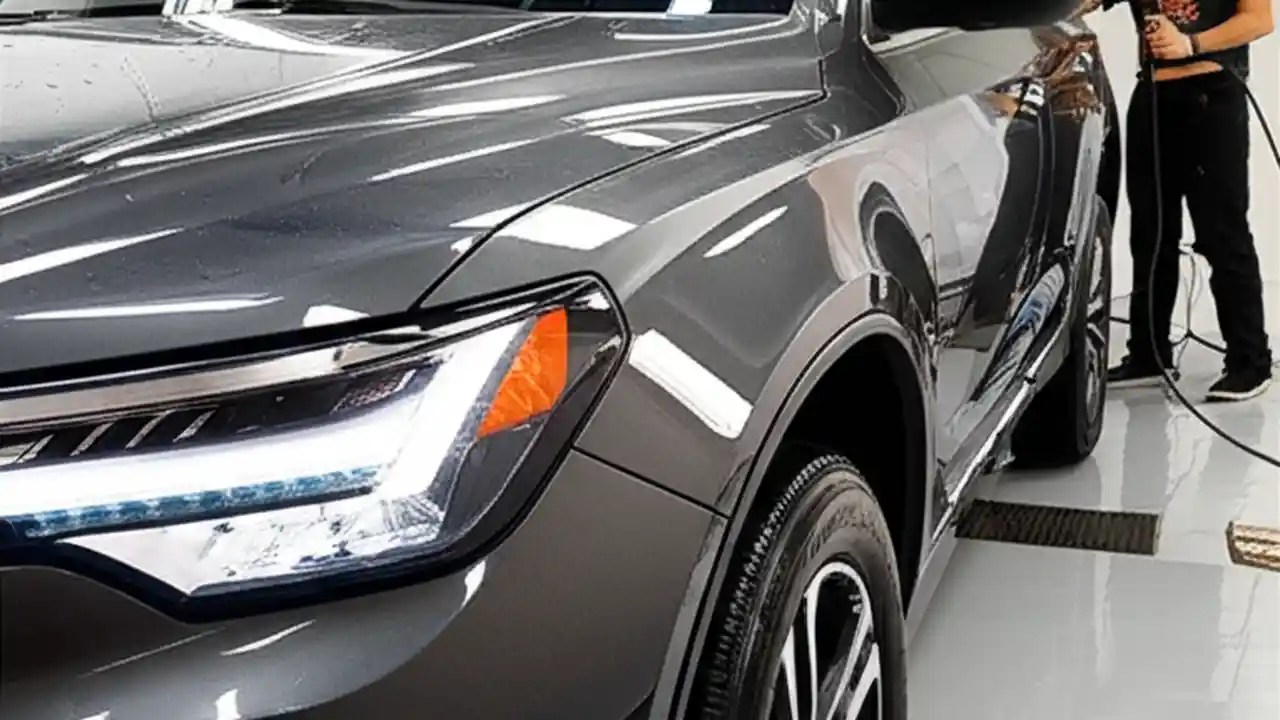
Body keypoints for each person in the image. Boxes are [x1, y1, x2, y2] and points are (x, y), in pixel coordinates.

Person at [1088, 0, 1275, 401]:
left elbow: (1260, 19)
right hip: (1153, 96)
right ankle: (1149, 353)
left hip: (1212, 94)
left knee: (1222, 234)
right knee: (1150, 235)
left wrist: (1190, 44)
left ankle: (1250, 361)